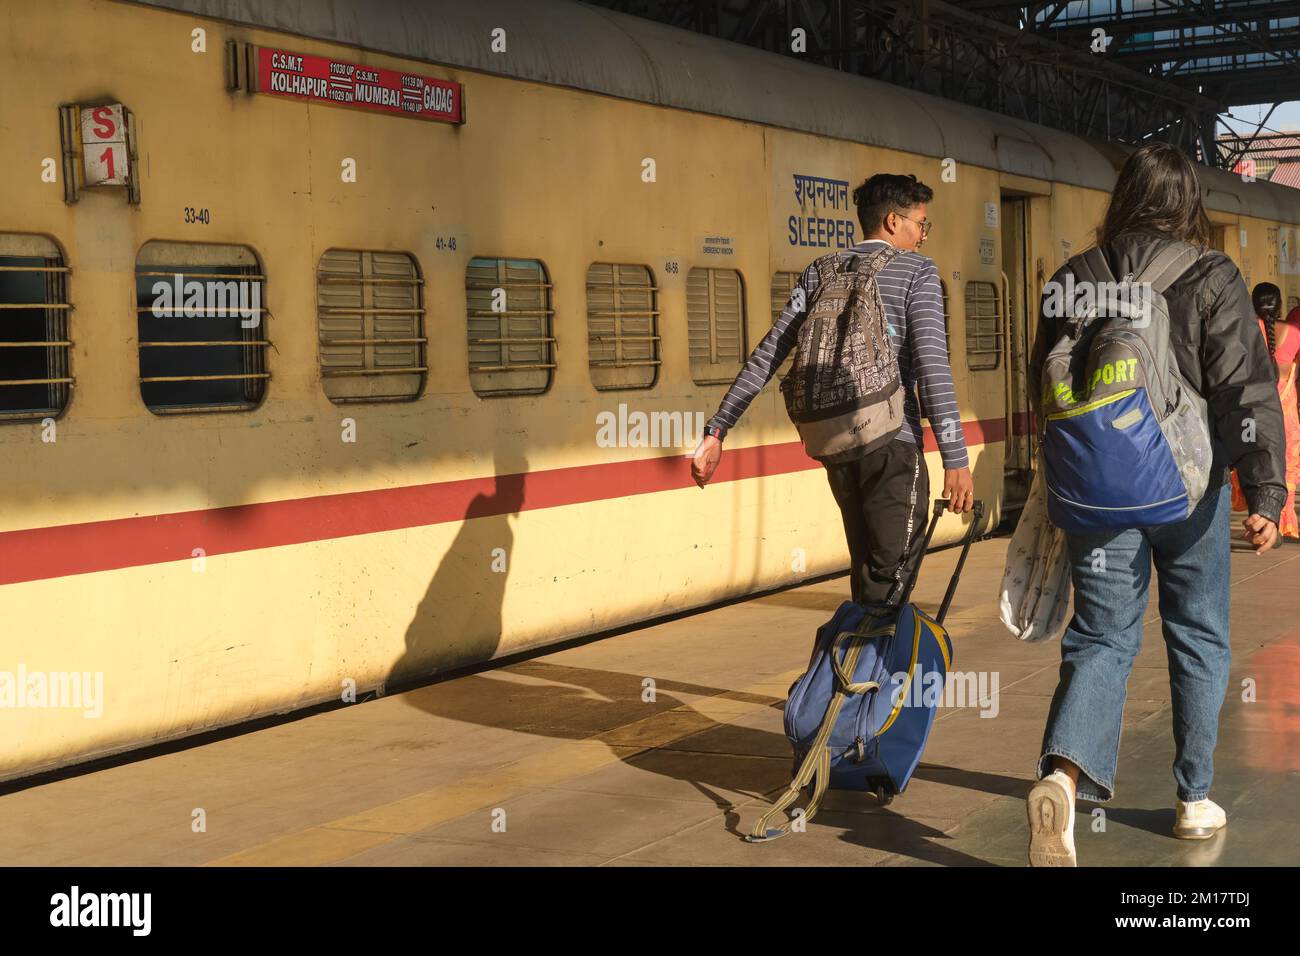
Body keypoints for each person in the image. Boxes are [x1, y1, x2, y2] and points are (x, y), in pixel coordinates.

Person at [1025, 143, 1287, 867]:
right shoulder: (1211, 275)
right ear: (1188, 203)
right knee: (1198, 633)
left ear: (1124, 198)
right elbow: (1244, 389)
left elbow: (1041, 393)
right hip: (1185, 491)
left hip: (1098, 493)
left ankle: (1062, 779)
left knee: (1102, 638)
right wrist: (1264, 491)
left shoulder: (1072, 279)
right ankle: (1193, 798)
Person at [691, 173, 975, 605]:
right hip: (893, 445)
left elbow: (769, 352)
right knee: (890, 585)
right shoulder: (918, 271)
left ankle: (855, 666)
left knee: (868, 575)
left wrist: (718, 430)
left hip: (836, 444)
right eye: (921, 223)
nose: (922, 236)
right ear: (894, 222)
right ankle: (861, 668)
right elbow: (933, 367)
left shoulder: (821, 270)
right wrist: (956, 459)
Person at [1229, 284, 1300, 538]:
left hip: (1253, 406)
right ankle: (1281, 520)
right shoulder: (1293, 332)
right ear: (1279, 305)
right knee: (1287, 465)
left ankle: (1258, 514)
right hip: (1285, 410)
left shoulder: (1245, 331)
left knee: (1251, 457)